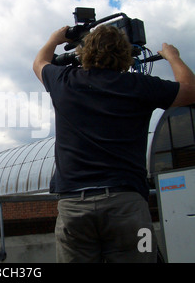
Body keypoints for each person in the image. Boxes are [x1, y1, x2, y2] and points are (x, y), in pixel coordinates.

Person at [33, 24, 195, 263]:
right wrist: (173, 57)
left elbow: (39, 63)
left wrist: (54, 39)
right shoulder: (140, 86)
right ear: (125, 55)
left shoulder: (64, 80)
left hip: (74, 208)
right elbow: (190, 91)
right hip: (129, 207)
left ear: (83, 53)